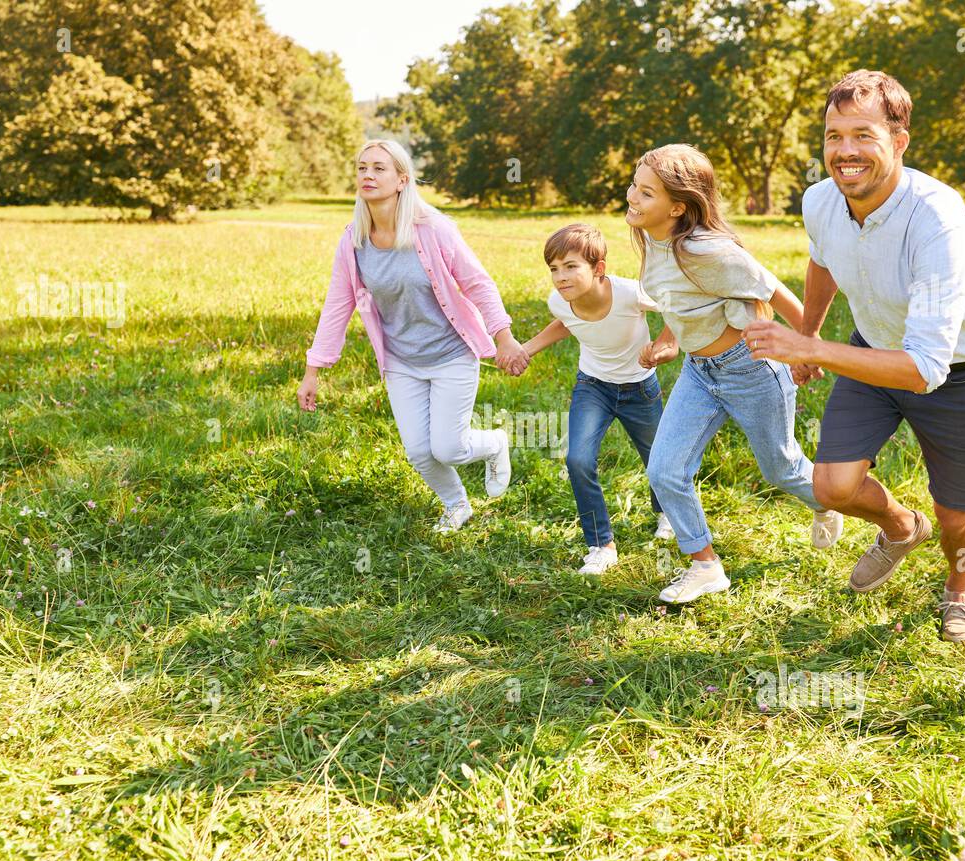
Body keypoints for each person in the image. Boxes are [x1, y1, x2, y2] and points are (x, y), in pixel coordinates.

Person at [745, 70, 965, 641]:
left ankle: (959, 589)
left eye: (863, 135)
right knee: (831, 486)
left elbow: (925, 369)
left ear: (899, 141)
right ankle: (899, 526)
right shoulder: (821, 200)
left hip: (954, 368)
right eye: (834, 136)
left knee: (955, 514)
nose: (845, 151)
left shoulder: (936, 216)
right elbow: (823, 262)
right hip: (871, 348)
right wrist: (807, 340)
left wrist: (814, 348)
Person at [630, 144, 845, 605]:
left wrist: (807, 348)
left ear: (678, 207)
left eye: (645, 192)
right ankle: (705, 566)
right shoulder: (652, 236)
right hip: (699, 373)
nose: (632, 197)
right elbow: (678, 294)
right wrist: (670, 338)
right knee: (665, 470)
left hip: (751, 369)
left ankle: (825, 501)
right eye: (634, 186)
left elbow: (776, 290)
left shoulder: (710, 250)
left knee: (781, 468)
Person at [298, 139, 529, 532]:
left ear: (402, 179)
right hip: (402, 360)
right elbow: (337, 304)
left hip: (451, 353)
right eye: (362, 168)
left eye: (379, 168)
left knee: (449, 448)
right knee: (420, 452)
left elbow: (478, 284)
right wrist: (313, 369)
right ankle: (457, 506)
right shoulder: (353, 240)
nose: (367, 175)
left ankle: (494, 444)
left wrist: (503, 336)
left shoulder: (433, 229)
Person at [514, 223, 673, 576]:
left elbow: (676, 309)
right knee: (578, 459)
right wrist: (528, 349)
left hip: (639, 389)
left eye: (571, 266)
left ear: (598, 269)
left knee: (659, 460)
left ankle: (665, 514)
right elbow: (565, 321)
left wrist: (665, 344)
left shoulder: (631, 294)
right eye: (554, 268)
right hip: (593, 387)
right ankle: (601, 545)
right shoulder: (560, 300)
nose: (560, 277)